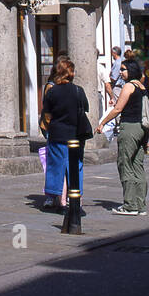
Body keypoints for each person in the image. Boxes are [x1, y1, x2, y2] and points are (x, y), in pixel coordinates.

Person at [96, 58, 149, 215]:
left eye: (123, 69)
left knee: (125, 163)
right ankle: (140, 204)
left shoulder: (129, 86)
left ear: (131, 71)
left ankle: (130, 205)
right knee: (137, 165)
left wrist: (102, 122)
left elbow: (118, 109)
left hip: (130, 128)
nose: (120, 72)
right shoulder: (141, 86)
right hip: (141, 128)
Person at [40, 55, 90, 211]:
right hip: (76, 135)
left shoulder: (52, 91)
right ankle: (76, 200)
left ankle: (59, 200)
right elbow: (85, 108)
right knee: (76, 166)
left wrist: (49, 127)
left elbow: (47, 115)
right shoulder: (78, 90)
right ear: (71, 73)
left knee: (57, 166)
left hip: (57, 134)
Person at [102, 46, 123, 141]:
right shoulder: (121, 61)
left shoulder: (117, 63)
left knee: (117, 105)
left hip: (117, 87)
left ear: (115, 53)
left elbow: (114, 77)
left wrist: (109, 78)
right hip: (119, 87)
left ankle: (118, 125)